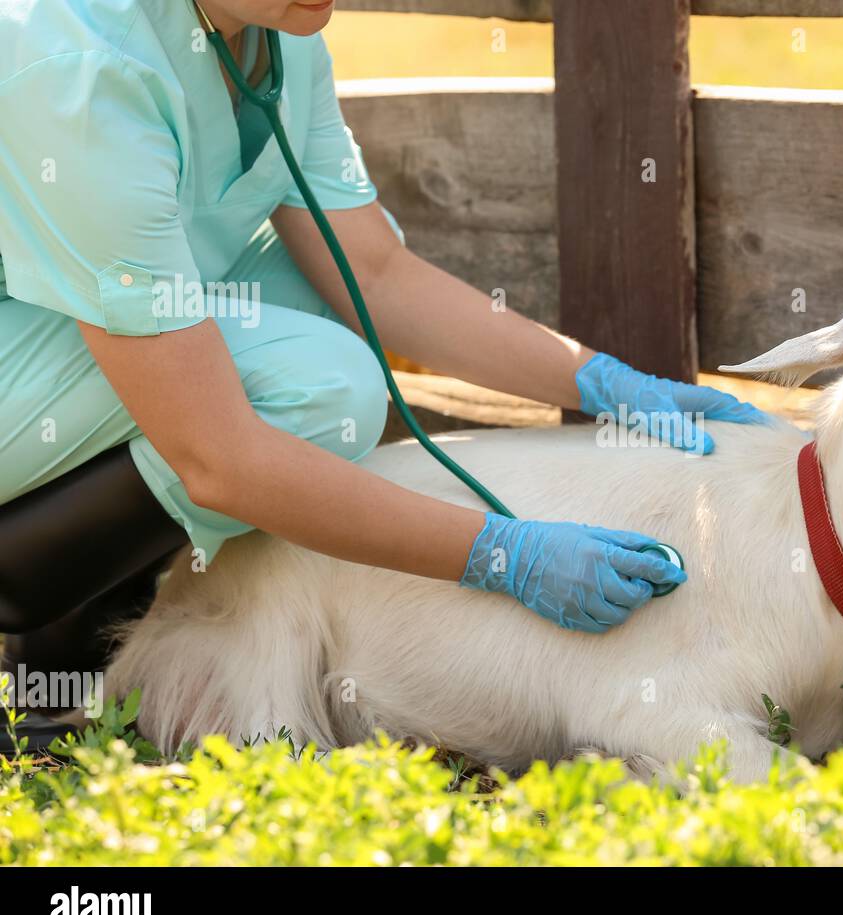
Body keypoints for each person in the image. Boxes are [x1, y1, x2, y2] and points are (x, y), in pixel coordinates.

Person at [0, 0, 766, 676]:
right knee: (328, 384)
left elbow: (373, 275)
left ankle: (75, 630)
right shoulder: (82, 69)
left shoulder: (280, 31)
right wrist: (504, 556)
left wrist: (609, 384)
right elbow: (217, 459)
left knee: (328, 298)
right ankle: (32, 597)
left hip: (65, 336)